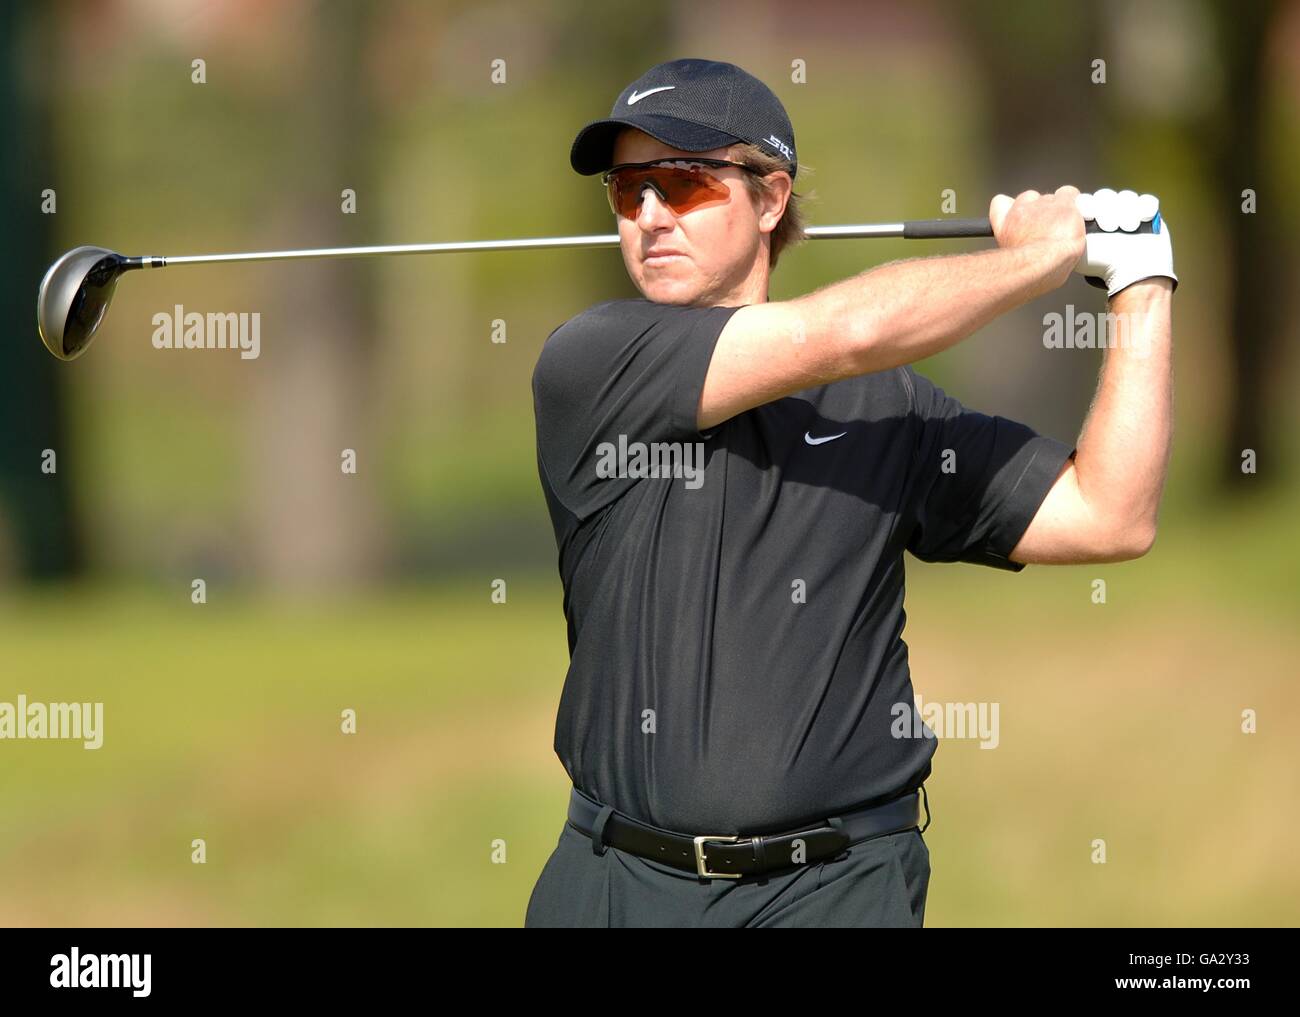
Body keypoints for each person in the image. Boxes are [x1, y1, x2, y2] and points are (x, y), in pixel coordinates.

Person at [525, 58, 1176, 927]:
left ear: (769, 199)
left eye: (681, 183)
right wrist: (1035, 258)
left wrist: (1142, 287)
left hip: (837, 891)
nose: (648, 216)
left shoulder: (884, 405)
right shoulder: (592, 360)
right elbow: (844, 332)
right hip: (619, 886)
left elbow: (1111, 513)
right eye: (627, 190)